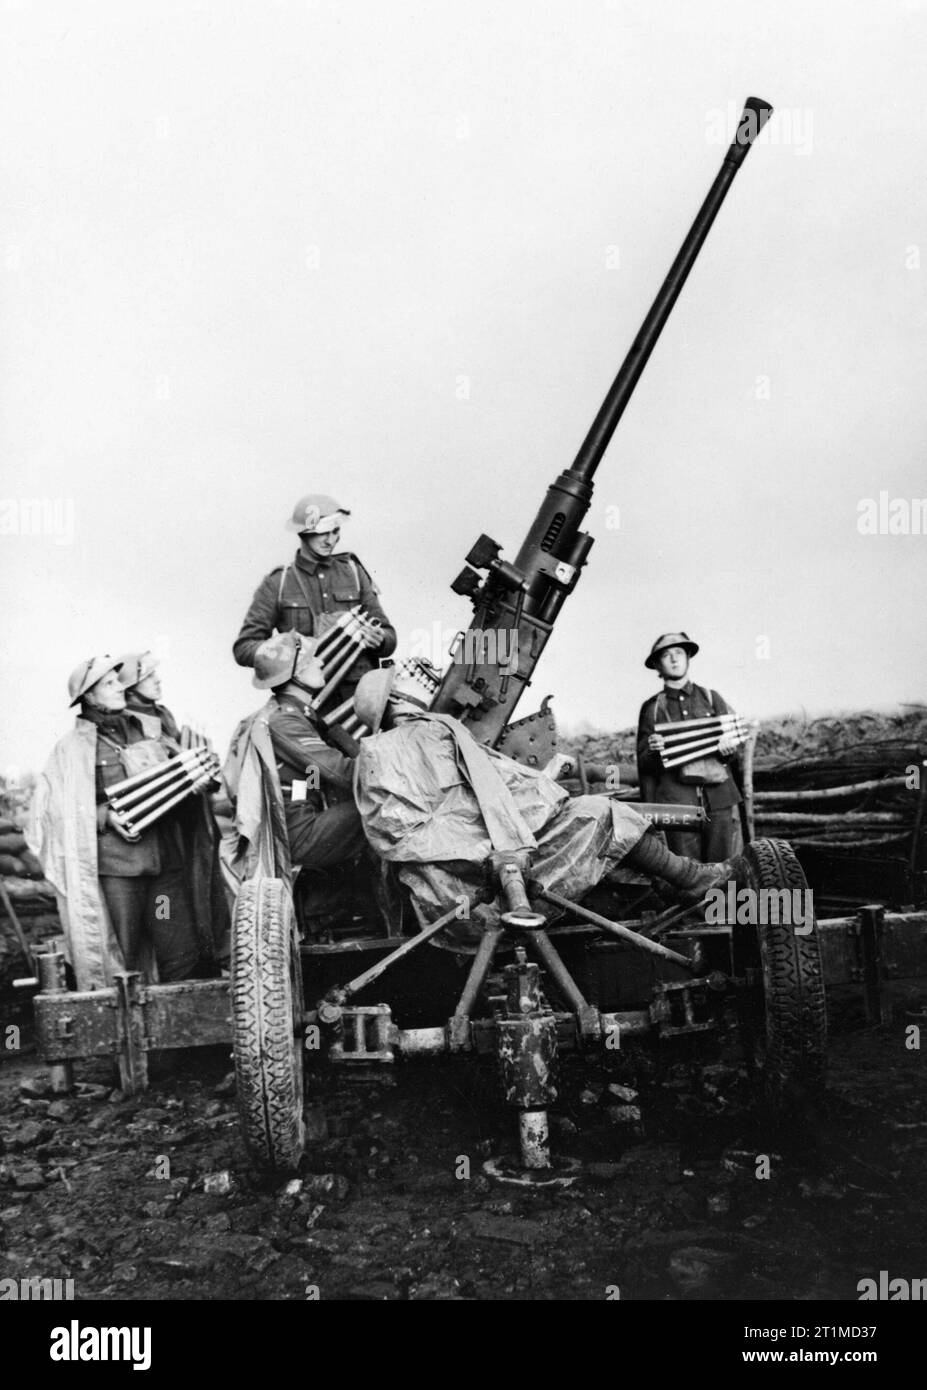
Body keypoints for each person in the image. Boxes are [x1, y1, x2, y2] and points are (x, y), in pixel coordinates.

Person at [350, 663, 737, 947]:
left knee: (593, 811)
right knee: (599, 811)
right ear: (397, 698)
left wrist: (541, 792)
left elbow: (494, 790)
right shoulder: (402, 743)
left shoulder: (421, 737)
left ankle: (687, 879)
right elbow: (406, 829)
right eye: (405, 680)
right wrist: (496, 842)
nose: (422, 682)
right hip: (470, 887)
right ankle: (688, 880)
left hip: (484, 879)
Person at [27, 656, 228, 989]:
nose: (120, 686)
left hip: (163, 870)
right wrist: (107, 816)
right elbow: (56, 810)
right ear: (88, 697)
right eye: (108, 684)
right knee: (126, 958)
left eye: (118, 680)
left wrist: (198, 785)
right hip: (120, 875)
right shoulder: (72, 750)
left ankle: (184, 1035)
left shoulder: (146, 731)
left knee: (179, 953)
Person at [232, 493, 396, 704]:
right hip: (306, 699)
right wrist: (289, 650)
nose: (331, 540)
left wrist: (380, 639)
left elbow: (390, 636)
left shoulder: (354, 573)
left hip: (358, 701)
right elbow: (244, 647)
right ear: (304, 533)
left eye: (335, 531)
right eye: (323, 533)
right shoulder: (278, 583)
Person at [636, 632, 742, 862]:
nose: (674, 659)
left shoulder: (711, 698)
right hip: (677, 804)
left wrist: (729, 750)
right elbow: (643, 764)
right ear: (657, 665)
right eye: (666, 655)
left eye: (679, 653)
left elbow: (734, 750)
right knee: (686, 873)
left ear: (687, 658)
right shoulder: (652, 708)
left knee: (724, 869)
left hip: (718, 799)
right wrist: (655, 751)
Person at [118, 651, 181, 741]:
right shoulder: (127, 722)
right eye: (148, 677)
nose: (158, 680)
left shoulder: (162, 711)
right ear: (129, 690)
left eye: (154, 674)